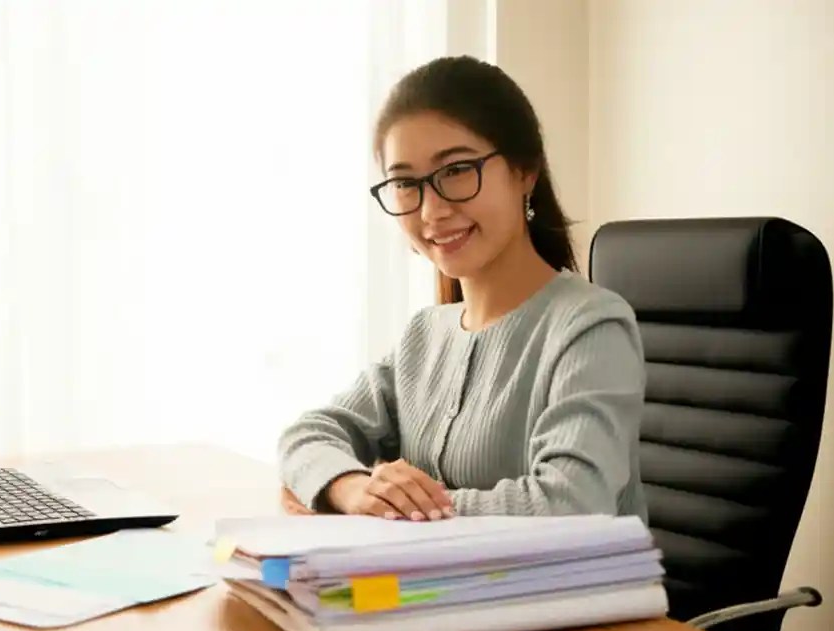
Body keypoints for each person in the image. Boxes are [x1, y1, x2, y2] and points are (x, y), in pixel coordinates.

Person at [277, 55, 647, 522]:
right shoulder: (425, 335)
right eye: (406, 183)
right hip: (439, 593)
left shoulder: (591, 327)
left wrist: (395, 511)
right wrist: (350, 489)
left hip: (559, 594)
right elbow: (308, 434)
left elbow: (572, 502)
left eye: (455, 170)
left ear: (524, 171)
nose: (431, 210)